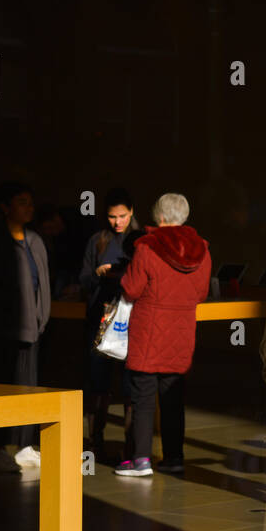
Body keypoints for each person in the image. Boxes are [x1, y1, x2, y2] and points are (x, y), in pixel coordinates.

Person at [116, 193, 211, 477]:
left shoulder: (147, 247)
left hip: (149, 331)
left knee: (143, 397)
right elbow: (201, 293)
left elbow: (131, 289)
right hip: (181, 331)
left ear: (160, 217)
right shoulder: (203, 250)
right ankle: (174, 457)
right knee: (173, 397)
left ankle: (141, 460)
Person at [0, 181, 51, 472]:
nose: (29, 207)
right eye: (21, 202)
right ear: (5, 206)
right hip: (1, 329)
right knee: (3, 387)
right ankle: (0, 447)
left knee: (28, 386)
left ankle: (25, 444)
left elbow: (42, 282)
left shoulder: (34, 240)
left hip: (31, 328)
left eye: (30, 202)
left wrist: (41, 317)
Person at [79, 189, 139, 460]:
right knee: (98, 381)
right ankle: (95, 438)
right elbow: (84, 279)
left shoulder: (141, 241)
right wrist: (98, 274)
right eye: (113, 217)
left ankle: (132, 441)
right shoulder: (99, 240)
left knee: (131, 383)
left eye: (122, 216)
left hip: (132, 319)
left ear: (131, 212)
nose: (118, 222)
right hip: (101, 317)